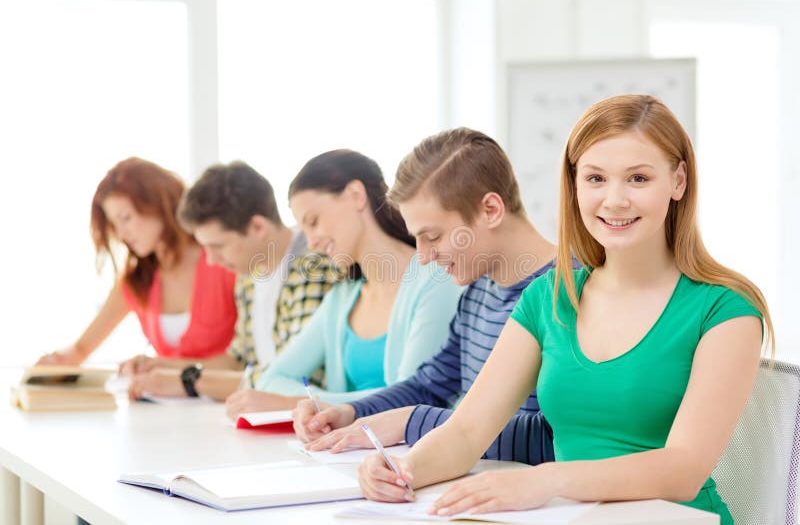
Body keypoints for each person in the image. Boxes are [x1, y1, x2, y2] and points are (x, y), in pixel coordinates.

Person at [358, 95, 774, 525]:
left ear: (678, 182)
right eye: (595, 178)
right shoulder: (547, 299)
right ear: (574, 185)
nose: (614, 200)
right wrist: (403, 469)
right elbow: (466, 432)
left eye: (637, 178)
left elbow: (683, 469)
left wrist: (547, 482)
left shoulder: (726, 309)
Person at [292, 128, 562, 467]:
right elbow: (429, 385)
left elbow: (556, 436)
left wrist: (409, 422)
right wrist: (350, 412)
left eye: (432, 236)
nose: (422, 256)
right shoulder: (479, 292)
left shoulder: (571, 293)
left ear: (490, 209)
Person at [228, 149, 462, 419]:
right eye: (304, 231)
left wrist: (309, 404)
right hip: (349, 456)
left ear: (355, 196)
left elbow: (412, 398)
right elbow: (272, 379)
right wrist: (319, 406)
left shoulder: (437, 280)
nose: (312, 241)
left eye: (313, 222)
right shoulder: (342, 299)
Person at [123, 161, 342, 402]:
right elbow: (238, 361)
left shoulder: (312, 266)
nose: (211, 261)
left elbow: (296, 379)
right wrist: (164, 366)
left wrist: (188, 380)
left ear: (258, 227)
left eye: (218, 246)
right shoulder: (248, 277)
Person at [37, 157, 237, 367]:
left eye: (126, 218)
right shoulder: (137, 281)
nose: (122, 233)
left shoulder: (223, 261)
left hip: (230, 398)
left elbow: (244, 359)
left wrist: (161, 367)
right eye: (114, 224)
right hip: (163, 400)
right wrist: (54, 363)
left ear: (157, 204)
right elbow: (80, 350)